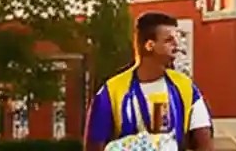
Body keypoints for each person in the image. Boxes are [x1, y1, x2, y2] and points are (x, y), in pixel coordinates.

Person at [83, 11, 213, 151]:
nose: (177, 45)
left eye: (177, 39)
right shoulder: (111, 90)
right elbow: (94, 145)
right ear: (149, 45)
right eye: (169, 40)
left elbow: (204, 141)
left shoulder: (186, 87)